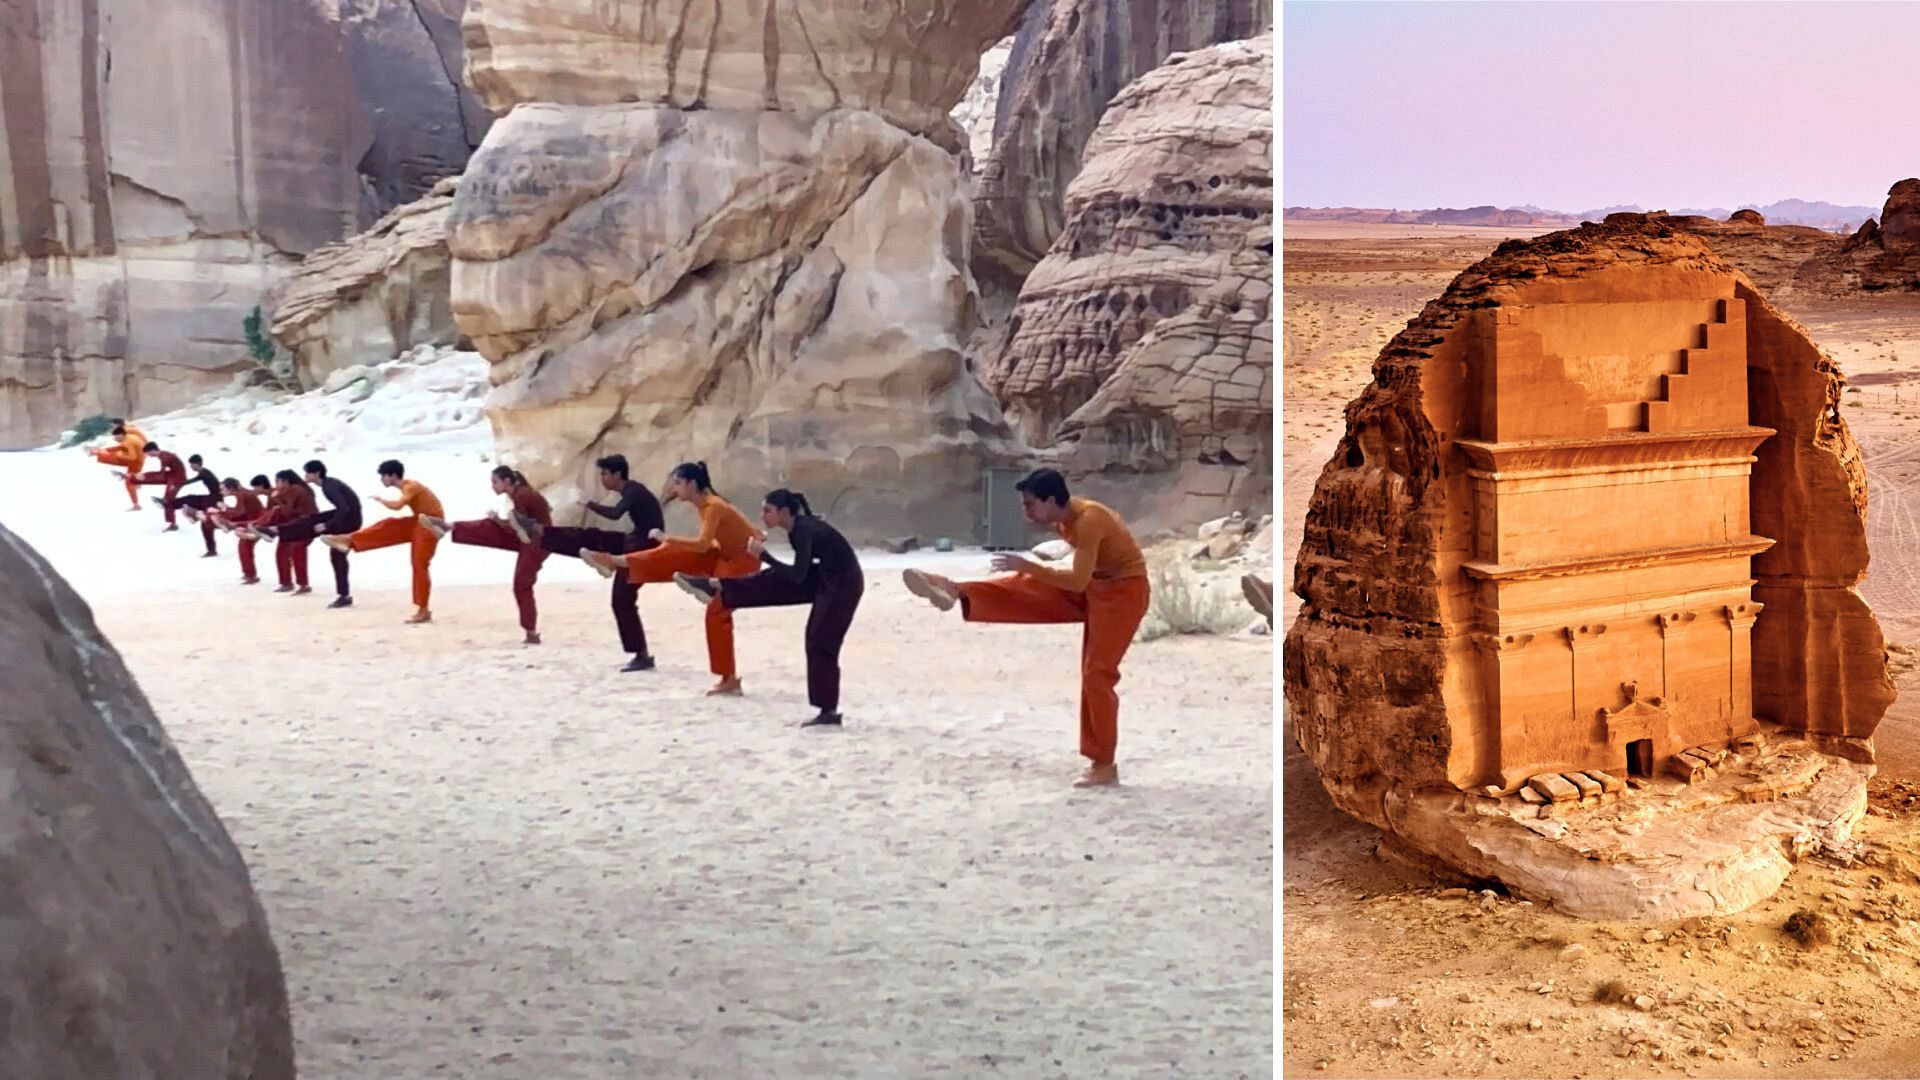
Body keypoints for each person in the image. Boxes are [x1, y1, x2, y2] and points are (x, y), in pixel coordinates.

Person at [900, 468, 1149, 789]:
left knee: (1097, 674)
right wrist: (1032, 571)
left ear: (1050, 500)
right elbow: (1081, 574)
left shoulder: (1089, 520)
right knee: (1027, 585)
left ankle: (1103, 764)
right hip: (1096, 588)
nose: (1025, 510)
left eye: (1030, 504)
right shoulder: (1066, 519)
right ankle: (955, 589)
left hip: (1123, 594)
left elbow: (1076, 580)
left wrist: (1029, 565)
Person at [673, 488, 864, 726]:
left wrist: (765, 556)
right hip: (827, 577)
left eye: (768, 511)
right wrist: (769, 562)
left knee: (819, 641)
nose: (763, 516)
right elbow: (797, 574)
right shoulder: (799, 529)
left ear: (784, 512)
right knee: (772, 578)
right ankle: (717, 585)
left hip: (844, 585)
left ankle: (828, 711)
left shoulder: (803, 530)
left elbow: (797, 576)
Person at [581, 462, 761, 666]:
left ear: (692, 484)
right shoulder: (705, 506)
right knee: (671, 551)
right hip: (722, 555)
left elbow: (702, 544)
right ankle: (616, 562)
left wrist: (668, 538)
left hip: (742, 562)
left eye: (678, 483)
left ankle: (727, 677)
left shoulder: (713, 507)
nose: (674, 489)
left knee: (716, 611)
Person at [524, 454, 665, 670]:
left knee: (621, 600)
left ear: (617, 474)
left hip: (644, 550)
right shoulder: (631, 490)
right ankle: (543, 533)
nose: (602, 478)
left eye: (605, 474)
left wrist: (590, 504)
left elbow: (615, 514)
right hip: (635, 542)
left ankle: (642, 655)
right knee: (590, 537)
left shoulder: (633, 491)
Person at [421, 466, 552, 644]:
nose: (492, 486)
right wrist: (497, 521)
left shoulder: (522, 495)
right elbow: (525, 523)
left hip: (539, 543)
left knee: (521, 584)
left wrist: (498, 520)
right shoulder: (519, 493)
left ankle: (531, 632)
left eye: (495, 482)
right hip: (529, 538)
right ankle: (450, 526)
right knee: (488, 526)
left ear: (506, 482)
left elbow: (521, 527)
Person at [320, 459, 443, 624]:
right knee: (388, 525)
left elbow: (398, 506)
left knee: (419, 564)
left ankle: (423, 609)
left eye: (383, 476)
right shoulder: (408, 487)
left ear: (392, 476)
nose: (381, 480)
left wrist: (381, 500)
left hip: (432, 525)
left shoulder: (411, 486)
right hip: (419, 521)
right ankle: (349, 540)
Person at [279, 459, 364, 609]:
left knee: (333, 552)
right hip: (348, 517)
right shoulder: (328, 484)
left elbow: (344, 508)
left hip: (349, 520)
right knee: (312, 521)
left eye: (308, 472)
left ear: (317, 473)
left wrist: (327, 525)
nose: (305, 475)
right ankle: (278, 532)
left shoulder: (329, 486)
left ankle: (344, 596)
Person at [247, 469, 319, 594]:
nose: (276, 484)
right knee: (283, 552)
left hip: (304, 525)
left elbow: (287, 511)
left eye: (277, 481)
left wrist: (278, 499)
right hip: (292, 525)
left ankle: (301, 585)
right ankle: (288, 583)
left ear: (286, 481)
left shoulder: (295, 489)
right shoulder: (294, 489)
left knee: (296, 552)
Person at [206, 476, 269, 585]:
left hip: (256, 523)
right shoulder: (242, 493)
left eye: (222, 489)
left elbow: (238, 513)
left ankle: (251, 576)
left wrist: (223, 510)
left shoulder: (242, 494)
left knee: (245, 547)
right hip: (253, 522)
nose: (221, 492)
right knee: (243, 547)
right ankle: (249, 574)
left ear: (230, 489)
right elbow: (240, 512)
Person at [128, 440, 189, 530]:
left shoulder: (165, 458)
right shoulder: (162, 454)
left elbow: (161, 476)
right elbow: (162, 472)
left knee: (168, 500)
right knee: (151, 475)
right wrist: (144, 477)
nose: (148, 455)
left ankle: (173, 525)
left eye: (147, 453)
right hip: (172, 474)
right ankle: (134, 478)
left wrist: (145, 478)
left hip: (178, 479)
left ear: (152, 450)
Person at [88, 419, 147, 510]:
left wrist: (121, 455)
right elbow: (123, 446)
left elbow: (132, 457)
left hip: (137, 460)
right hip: (139, 454)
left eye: (115, 436)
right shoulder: (128, 433)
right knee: (114, 454)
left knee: (128, 482)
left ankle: (136, 503)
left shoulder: (128, 438)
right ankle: (135, 480)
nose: (114, 438)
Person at [170, 455, 224, 553]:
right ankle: (211, 550)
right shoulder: (205, 471)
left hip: (213, 500)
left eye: (192, 465)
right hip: (214, 498)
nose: (190, 467)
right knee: (190, 499)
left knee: (190, 500)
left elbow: (191, 481)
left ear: (197, 464)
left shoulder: (203, 473)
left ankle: (171, 505)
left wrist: (176, 485)